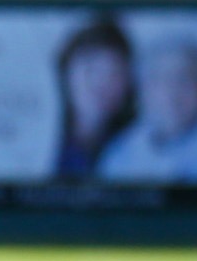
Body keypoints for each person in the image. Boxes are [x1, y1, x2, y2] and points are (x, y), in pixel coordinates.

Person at [99, 34, 197, 183]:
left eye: (184, 78)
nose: (171, 91)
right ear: (143, 91)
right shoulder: (120, 153)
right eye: (159, 79)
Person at [51, 15, 137, 179]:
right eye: (90, 69)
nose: (101, 83)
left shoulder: (136, 148)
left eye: (114, 73)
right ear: (65, 72)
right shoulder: (38, 143)